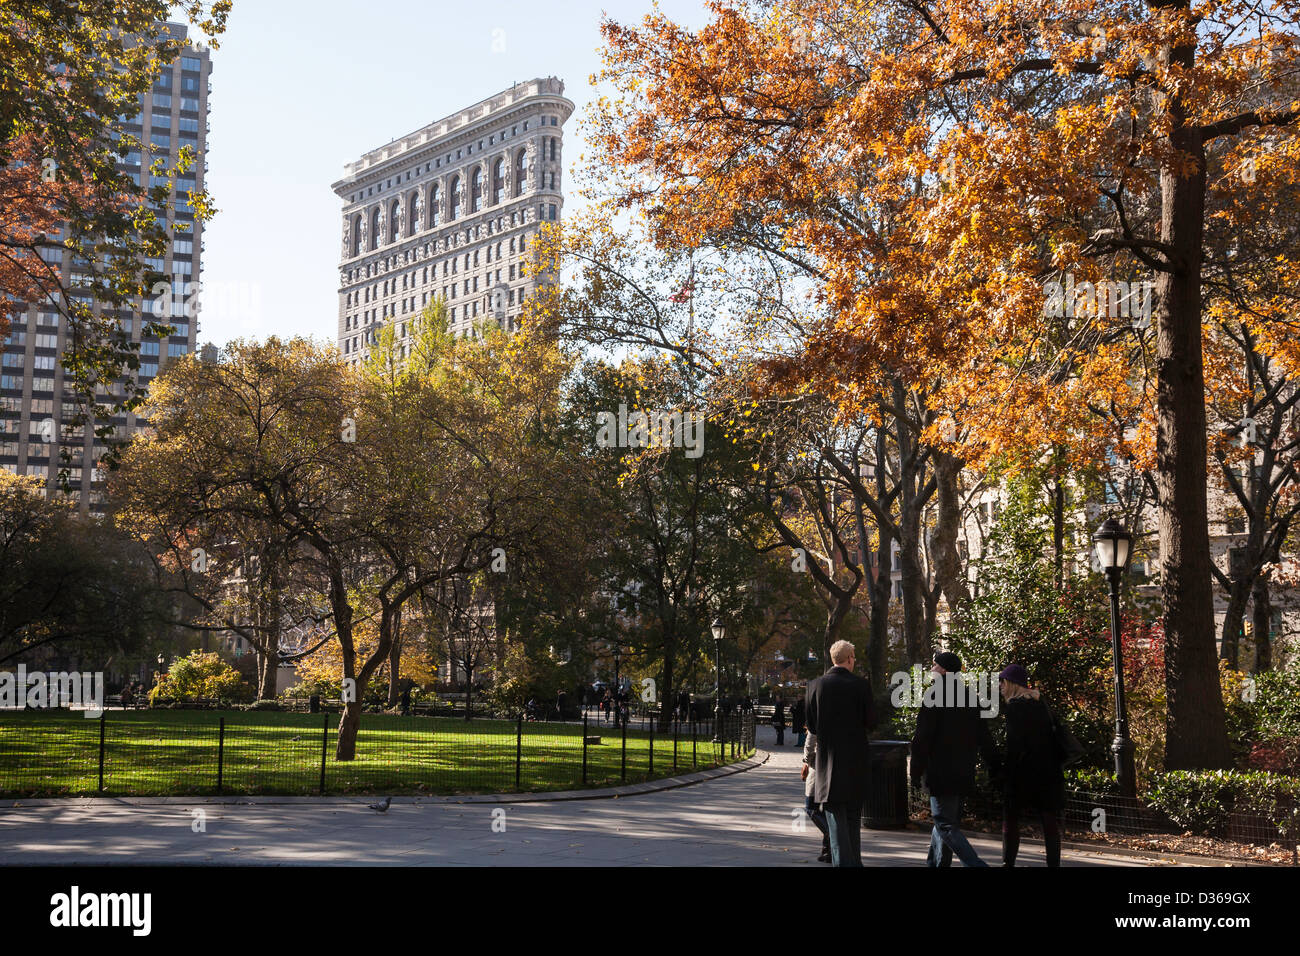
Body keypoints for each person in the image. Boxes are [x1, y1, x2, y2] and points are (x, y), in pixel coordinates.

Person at [910, 651, 1000, 867]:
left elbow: (922, 739)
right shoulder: (970, 696)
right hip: (963, 770)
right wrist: (994, 764)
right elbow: (983, 735)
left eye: (934, 666)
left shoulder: (934, 695)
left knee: (944, 824)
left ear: (944, 670)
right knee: (944, 823)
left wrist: (915, 771)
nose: (931, 670)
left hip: (940, 772)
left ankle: (977, 865)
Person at [804, 639, 876, 867]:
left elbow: (812, 726)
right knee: (853, 821)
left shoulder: (814, 686)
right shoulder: (862, 685)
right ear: (850, 658)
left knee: (836, 822)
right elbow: (871, 722)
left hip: (830, 763)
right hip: (856, 760)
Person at [998, 663, 1064, 867]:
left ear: (1012, 684)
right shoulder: (1042, 704)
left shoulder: (1015, 708)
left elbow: (1015, 745)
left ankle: (1008, 863)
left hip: (1023, 772)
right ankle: (1054, 864)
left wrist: (1005, 773)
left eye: (1003, 682)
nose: (1000, 686)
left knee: (1011, 819)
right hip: (1049, 771)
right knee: (1049, 820)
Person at [801, 730, 832, 862]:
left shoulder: (817, 717)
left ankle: (831, 834)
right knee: (826, 810)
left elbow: (809, 743)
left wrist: (807, 759)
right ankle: (828, 850)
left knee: (810, 807)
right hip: (833, 767)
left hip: (818, 767)